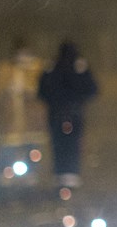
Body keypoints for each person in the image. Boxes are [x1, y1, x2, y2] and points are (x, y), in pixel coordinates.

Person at [37, 40, 98, 188]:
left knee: (59, 144)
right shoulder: (78, 67)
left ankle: (61, 173)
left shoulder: (52, 67)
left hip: (57, 114)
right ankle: (71, 172)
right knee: (72, 143)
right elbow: (92, 90)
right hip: (73, 113)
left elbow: (42, 91)